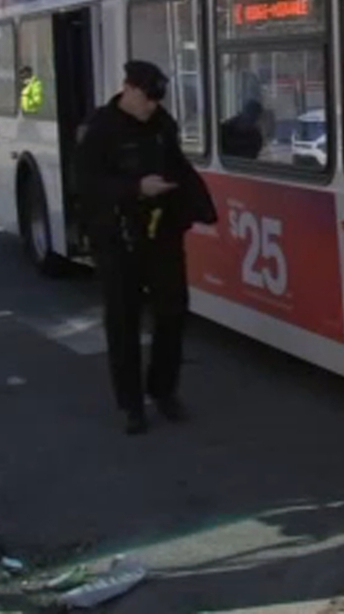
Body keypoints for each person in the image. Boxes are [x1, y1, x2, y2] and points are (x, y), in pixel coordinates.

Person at [73, 60, 216, 435]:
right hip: (118, 238)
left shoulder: (160, 124)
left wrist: (198, 204)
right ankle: (131, 404)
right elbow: (87, 184)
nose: (152, 106)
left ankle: (164, 390)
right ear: (129, 89)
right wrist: (136, 188)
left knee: (173, 312)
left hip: (162, 232)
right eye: (147, 98)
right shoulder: (100, 129)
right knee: (123, 321)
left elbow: (178, 164)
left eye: (156, 100)